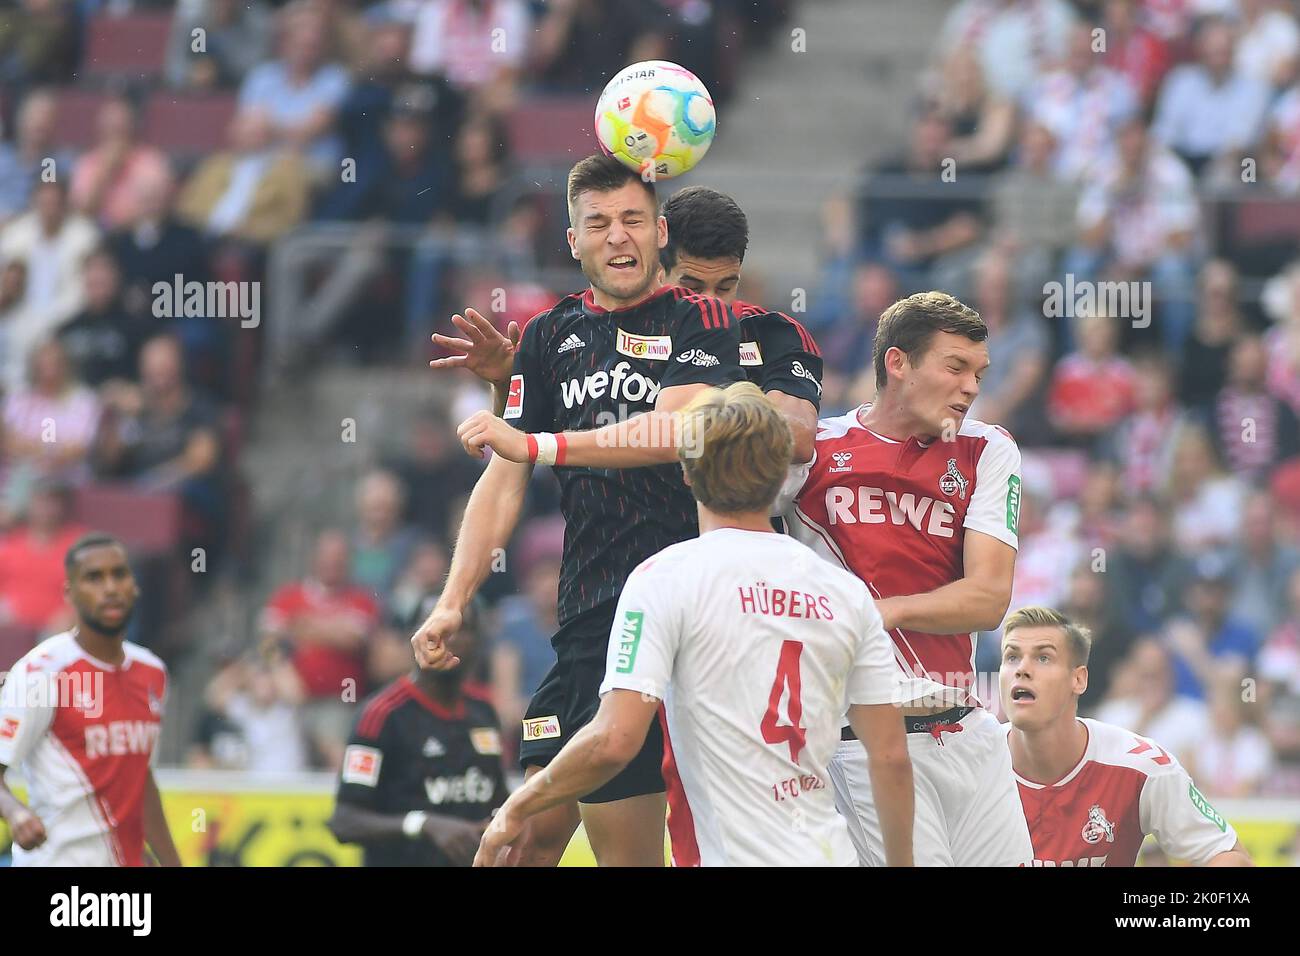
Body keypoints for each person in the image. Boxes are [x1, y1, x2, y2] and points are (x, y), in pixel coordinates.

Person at [411, 154, 745, 867]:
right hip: (590, 615)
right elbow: (503, 478)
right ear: (573, 242)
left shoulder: (706, 321)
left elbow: (673, 433)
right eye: (598, 223)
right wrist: (451, 601)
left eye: (632, 220)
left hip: (684, 611)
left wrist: (540, 443)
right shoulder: (544, 337)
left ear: (660, 233)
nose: (618, 238)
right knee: (521, 844)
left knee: (626, 856)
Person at [475, 383, 913, 867]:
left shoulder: (663, 579)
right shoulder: (845, 592)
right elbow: (891, 756)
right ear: (781, 473)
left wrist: (519, 803)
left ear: (684, 470)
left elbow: (614, 741)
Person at [776, 290, 1032, 867]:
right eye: (955, 367)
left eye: (979, 373)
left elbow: (989, 598)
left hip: (968, 729)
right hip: (859, 738)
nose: (971, 387)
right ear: (897, 363)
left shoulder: (988, 449)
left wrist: (881, 612)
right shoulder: (811, 449)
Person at [434, 184, 824, 463]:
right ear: (656, 269)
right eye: (692, 286)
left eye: (726, 286)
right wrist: (506, 382)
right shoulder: (601, 332)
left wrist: (690, 426)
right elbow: (515, 454)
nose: (711, 306)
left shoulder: (776, 335)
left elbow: (801, 438)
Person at [1000, 605, 1252, 867]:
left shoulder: (1141, 766)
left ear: (1079, 679)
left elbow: (1231, 856)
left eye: (1043, 658)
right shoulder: (967, 761)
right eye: (1012, 657)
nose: (1022, 669)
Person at [0, 533, 180, 866]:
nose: (110, 587)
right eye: (94, 578)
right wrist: (16, 813)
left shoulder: (153, 673)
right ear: (70, 592)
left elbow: (140, 777)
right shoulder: (42, 673)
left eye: (119, 574)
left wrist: (172, 862)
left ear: (134, 586)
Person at [330, 597, 506, 866]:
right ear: (413, 637)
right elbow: (344, 821)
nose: (448, 638)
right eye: (435, 627)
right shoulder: (381, 715)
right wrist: (423, 824)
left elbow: (497, 799)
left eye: (463, 628)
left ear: (479, 641)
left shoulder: (484, 712)